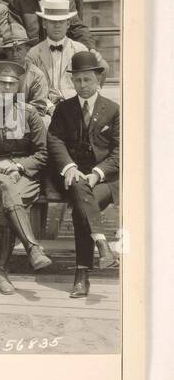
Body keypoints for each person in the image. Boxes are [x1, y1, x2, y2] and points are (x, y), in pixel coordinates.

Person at [46, 51, 119, 299]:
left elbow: (121, 152)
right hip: (72, 175)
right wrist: (69, 166)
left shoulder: (113, 110)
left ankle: (82, 274)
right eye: (77, 80)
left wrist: (98, 173)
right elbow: (54, 140)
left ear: (98, 79)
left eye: (87, 79)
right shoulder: (64, 109)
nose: (82, 85)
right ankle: (101, 246)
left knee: (81, 205)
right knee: (78, 187)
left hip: (105, 180)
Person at [0, 60, 53, 295]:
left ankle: (1, 271)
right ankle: (32, 248)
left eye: (11, 84)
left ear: (18, 86)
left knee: (10, 199)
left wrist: (18, 165)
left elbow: (42, 154)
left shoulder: (29, 113)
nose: (7, 89)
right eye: (2, 84)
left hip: (24, 176)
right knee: (8, 190)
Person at [25, 0, 93, 117]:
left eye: (61, 21)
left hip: (76, 107)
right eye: (52, 21)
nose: (57, 25)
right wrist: (50, 108)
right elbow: (32, 90)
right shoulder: (33, 53)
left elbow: (89, 85)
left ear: (68, 24)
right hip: (45, 110)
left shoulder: (80, 50)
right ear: (44, 24)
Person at [0, 24, 51, 118]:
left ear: (27, 48)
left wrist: (15, 119)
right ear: (4, 51)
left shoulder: (36, 76)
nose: (15, 54)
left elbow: (39, 109)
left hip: (25, 124)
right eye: (10, 50)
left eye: (19, 49)